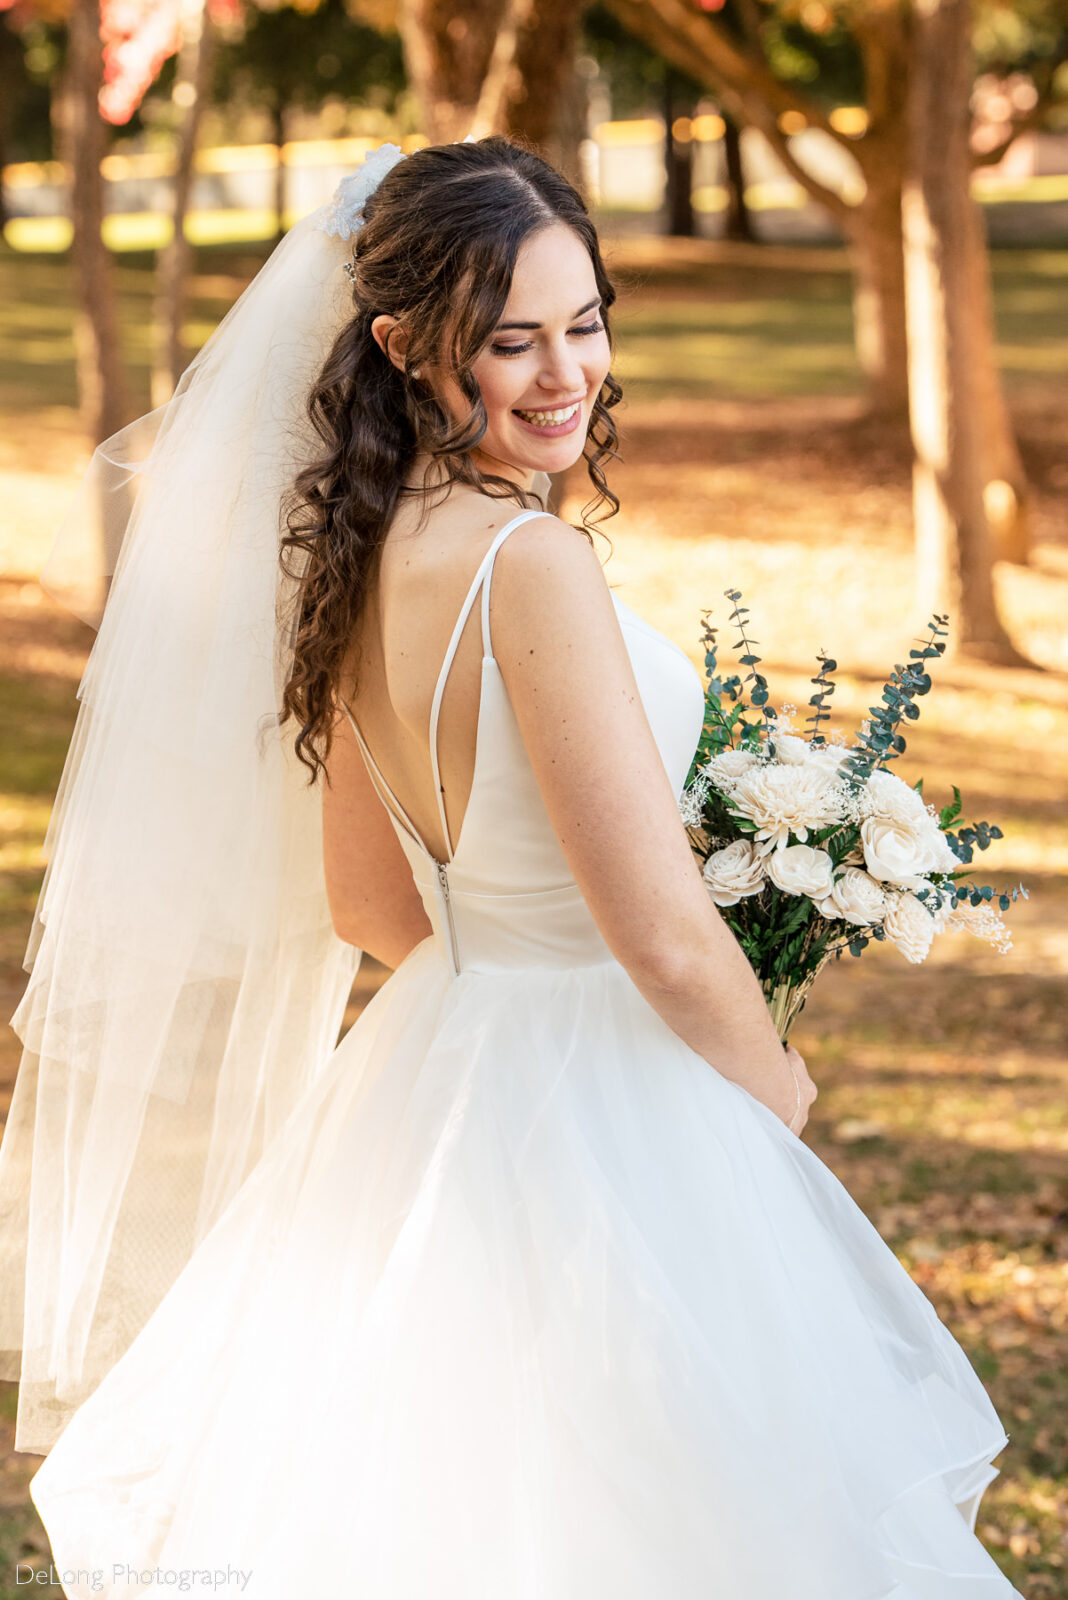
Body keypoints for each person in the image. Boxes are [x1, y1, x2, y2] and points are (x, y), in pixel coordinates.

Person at [8, 137, 1020, 1599]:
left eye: (587, 323)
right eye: (513, 341)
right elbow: (662, 934)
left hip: (444, 1068)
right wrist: (768, 1088)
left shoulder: (354, 555)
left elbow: (368, 903)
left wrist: (502, 1037)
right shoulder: (528, 565)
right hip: (620, 1076)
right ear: (408, 346)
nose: (566, 376)